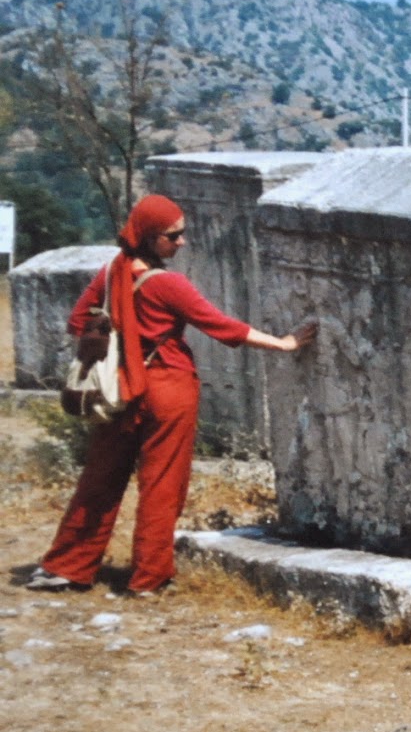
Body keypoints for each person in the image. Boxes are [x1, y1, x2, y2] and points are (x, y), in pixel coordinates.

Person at [25, 194, 317, 596]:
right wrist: (283, 344)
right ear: (148, 238)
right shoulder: (168, 284)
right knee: (163, 484)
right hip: (167, 387)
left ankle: (67, 566)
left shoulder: (112, 272)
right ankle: (149, 577)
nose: (181, 242)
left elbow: (80, 320)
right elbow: (221, 326)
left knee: (100, 479)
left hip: (118, 388)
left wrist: (120, 328)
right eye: (172, 236)